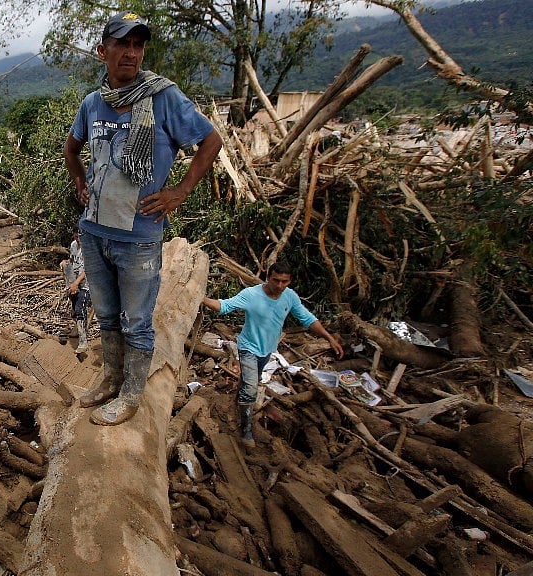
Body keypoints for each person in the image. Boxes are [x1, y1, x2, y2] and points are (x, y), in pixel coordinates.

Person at [64, 11, 223, 426]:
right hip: (94, 232)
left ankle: (132, 394)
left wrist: (180, 191)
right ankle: (110, 379)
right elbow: (72, 148)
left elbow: (210, 140)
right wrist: (81, 184)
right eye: (122, 44)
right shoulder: (92, 104)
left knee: (137, 321)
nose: (131, 52)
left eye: (138, 44)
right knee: (106, 314)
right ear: (103, 51)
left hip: (138, 236)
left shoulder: (164, 97)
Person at [202, 262, 344, 447]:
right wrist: (201, 298)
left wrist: (329, 337)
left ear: (289, 281)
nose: (279, 285)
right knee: (252, 386)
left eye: (284, 281)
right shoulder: (251, 295)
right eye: (275, 280)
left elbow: (307, 319)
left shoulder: (290, 297)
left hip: (267, 350)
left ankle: (240, 401)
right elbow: (224, 306)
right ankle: (246, 430)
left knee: (250, 383)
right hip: (248, 348)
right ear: (268, 277)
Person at [60, 231, 91, 354]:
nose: (78, 238)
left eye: (80, 235)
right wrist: (65, 262)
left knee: (80, 309)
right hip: (74, 281)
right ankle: (77, 329)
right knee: (74, 307)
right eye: (76, 235)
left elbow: (88, 269)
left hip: (86, 284)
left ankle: (83, 342)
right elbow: (72, 260)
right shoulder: (73, 245)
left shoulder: (89, 247)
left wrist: (76, 283)